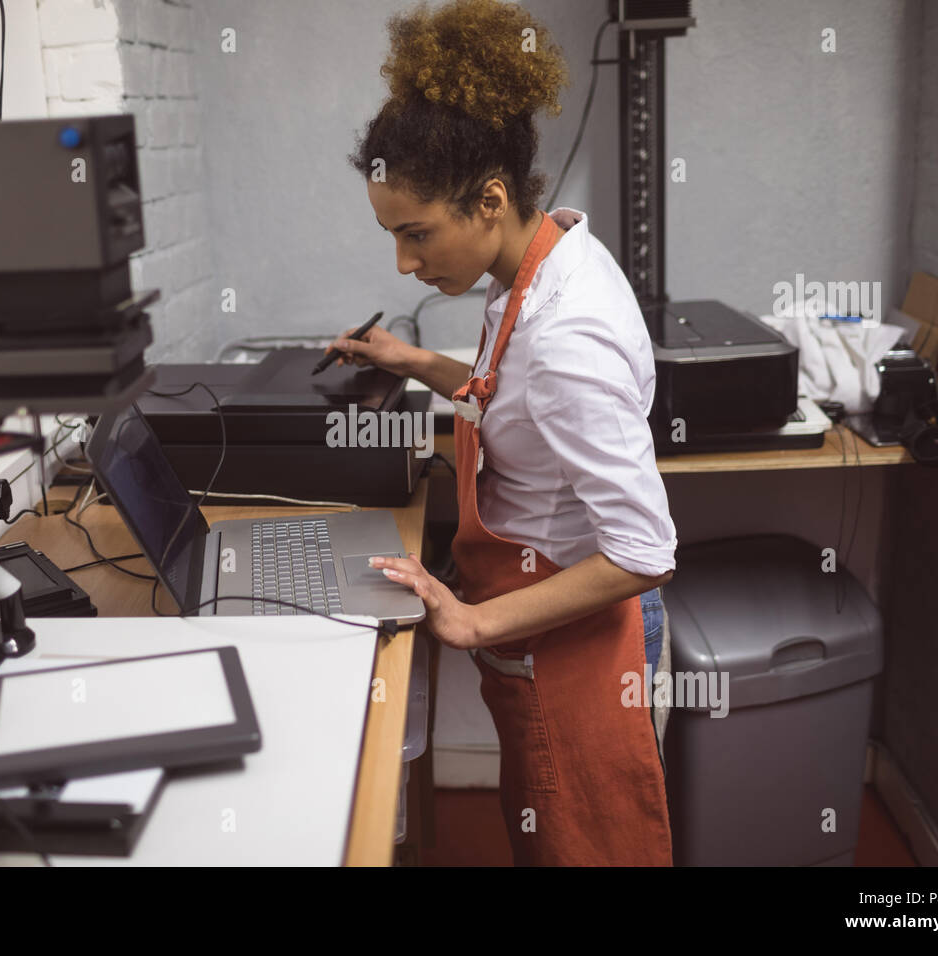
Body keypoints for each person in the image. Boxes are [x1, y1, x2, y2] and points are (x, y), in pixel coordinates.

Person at [328, 0, 678, 865]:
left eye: (416, 234)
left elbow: (643, 548)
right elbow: (501, 392)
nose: (405, 263)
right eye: (393, 236)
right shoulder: (545, 252)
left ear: (488, 199)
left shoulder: (566, 337)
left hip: (574, 637)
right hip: (539, 616)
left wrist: (476, 626)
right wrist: (410, 359)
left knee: (580, 846)